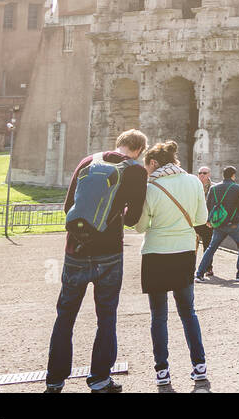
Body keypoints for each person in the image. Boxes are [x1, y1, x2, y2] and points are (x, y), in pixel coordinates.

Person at [45, 129, 148, 394]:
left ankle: (55, 380)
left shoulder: (88, 161)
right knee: (106, 317)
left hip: (75, 251)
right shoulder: (136, 171)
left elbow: (68, 207)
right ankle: (100, 379)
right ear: (139, 150)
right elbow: (133, 218)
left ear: (119, 144)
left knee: (65, 316)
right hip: (109, 253)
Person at [133, 140, 209, 387]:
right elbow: (201, 219)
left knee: (159, 316)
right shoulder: (194, 181)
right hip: (184, 253)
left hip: (156, 254)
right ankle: (199, 365)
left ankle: (162, 370)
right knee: (189, 312)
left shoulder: (150, 187)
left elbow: (141, 226)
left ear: (154, 163)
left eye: (146, 166)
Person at [196, 166, 239, 281]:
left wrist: (209, 221)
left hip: (218, 224)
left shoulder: (214, 188)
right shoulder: (236, 187)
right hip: (234, 223)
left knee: (211, 248)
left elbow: (208, 206)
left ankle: (199, 274)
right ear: (233, 175)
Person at [194, 166, 213, 256]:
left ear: (209, 174)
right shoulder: (193, 186)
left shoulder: (214, 187)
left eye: (204, 173)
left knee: (207, 245)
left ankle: (208, 268)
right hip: (195, 220)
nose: (201, 175)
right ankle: (191, 268)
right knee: (192, 246)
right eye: (200, 173)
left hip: (207, 221)